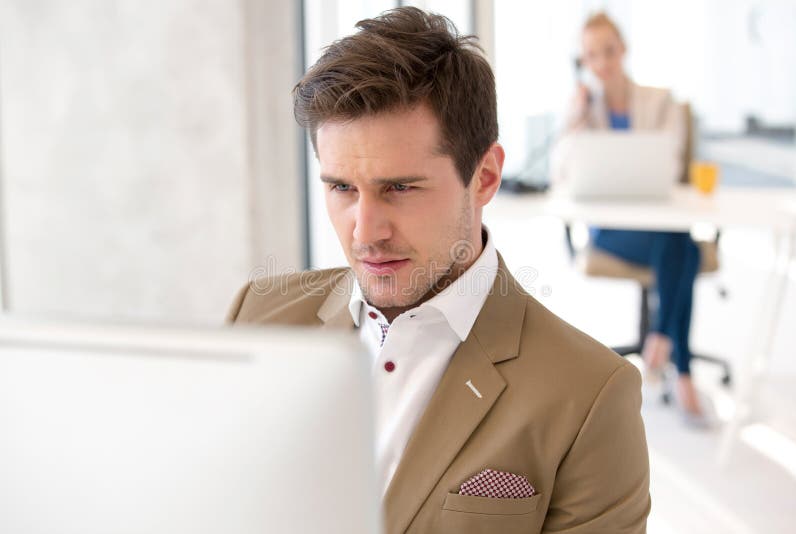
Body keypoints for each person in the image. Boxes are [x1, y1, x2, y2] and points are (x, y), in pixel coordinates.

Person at [227, 7, 649, 533]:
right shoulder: (258, 317)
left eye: (399, 188)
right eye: (341, 188)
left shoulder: (590, 395)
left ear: (486, 176)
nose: (364, 232)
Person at [555, 12, 705, 423]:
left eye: (608, 51)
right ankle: (680, 365)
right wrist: (577, 116)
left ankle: (661, 338)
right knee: (683, 248)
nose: (602, 62)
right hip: (611, 232)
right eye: (591, 55)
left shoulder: (660, 102)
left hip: (657, 225)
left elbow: (671, 163)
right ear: (582, 61)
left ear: (623, 50)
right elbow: (561, 173)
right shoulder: (583, 108)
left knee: (678, 243)